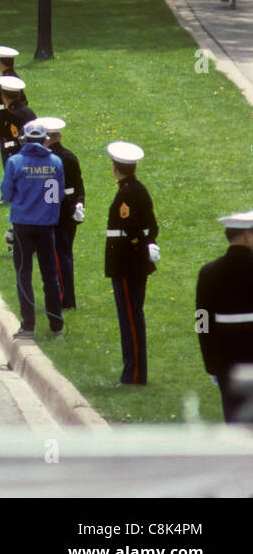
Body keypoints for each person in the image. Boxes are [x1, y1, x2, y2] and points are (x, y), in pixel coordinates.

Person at [0, 120, 65, 338]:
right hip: (46, 226)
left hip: (22, 227)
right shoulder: (55, 162)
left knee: (23, 274)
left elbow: (7, 194)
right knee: (50, 276)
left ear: (25, 140)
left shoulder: (15, 162)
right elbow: (59, 196)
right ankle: (56, 324)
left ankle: (28, 325)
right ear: (45, 140)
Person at [104, 141, 160, 387]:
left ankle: (134, 375)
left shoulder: (126, 194)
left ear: (116, 168)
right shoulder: (139, 189)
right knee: (132, 317)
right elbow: (152, 226)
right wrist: (149, 242)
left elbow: (131, 228)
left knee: (130, 320)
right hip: (134, 263)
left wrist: (141, 243)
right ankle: (133, 373)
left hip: (126, 264)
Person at [197, 210, 253, 422]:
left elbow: (202, 320)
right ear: (246, 237)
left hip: (225, 357)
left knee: (233, 416)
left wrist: (210, 362)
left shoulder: (209, 271)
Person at [35, 116, 85, 310]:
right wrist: (80, 204)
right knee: (64, 254)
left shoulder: (48, 159)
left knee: (58, 256)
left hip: (56, 212)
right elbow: (79, 186)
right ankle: (66, 297)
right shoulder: (70, 156)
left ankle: (65, 298)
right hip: (70, 209)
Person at [0, 74, 35, 203]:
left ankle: (9, 196)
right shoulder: (28, 111)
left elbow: (12, 139)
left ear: (3, 96)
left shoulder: (10, 115)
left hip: (18, 151)